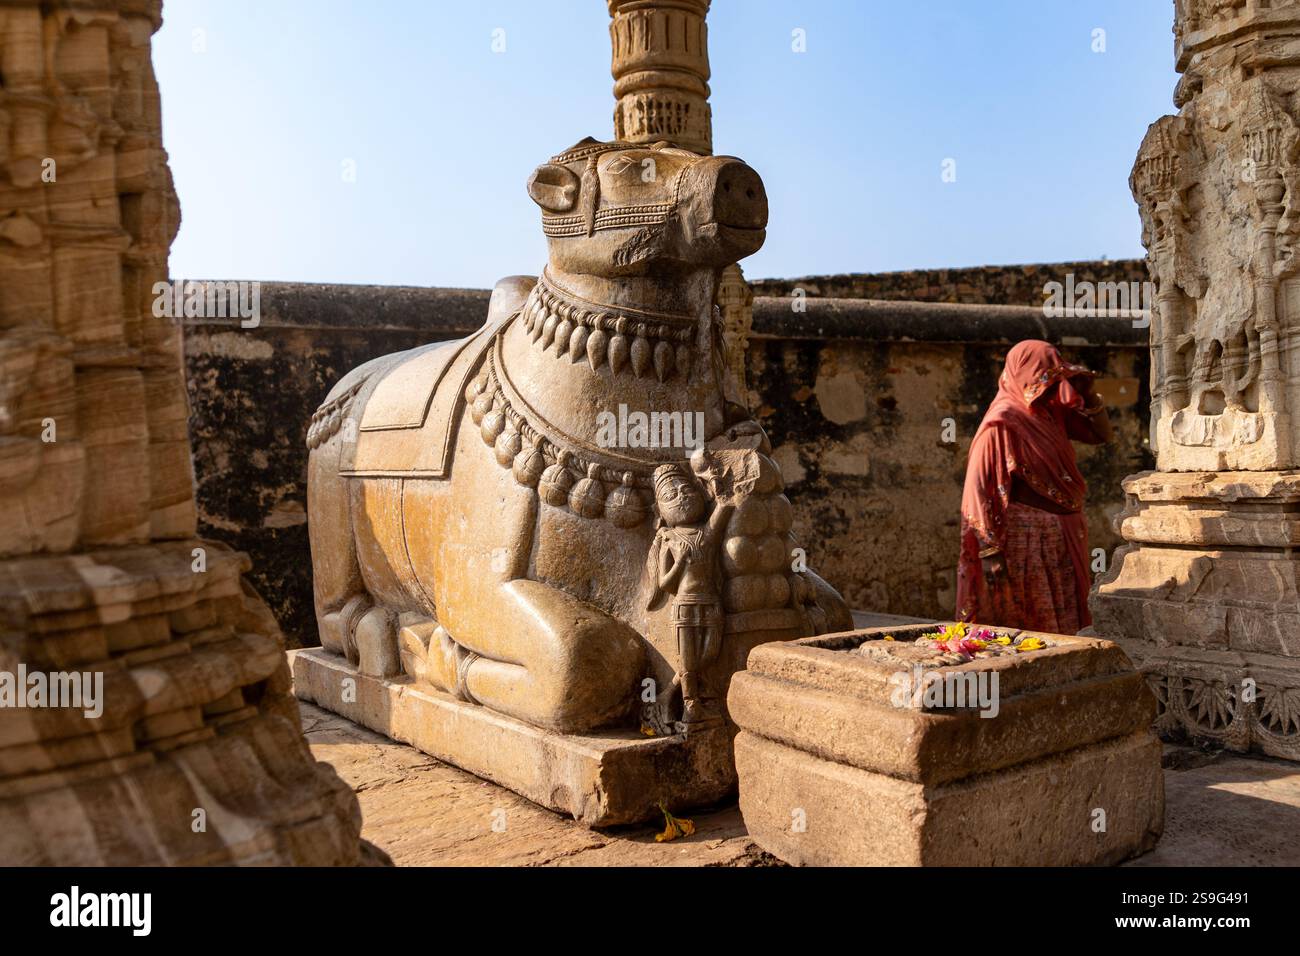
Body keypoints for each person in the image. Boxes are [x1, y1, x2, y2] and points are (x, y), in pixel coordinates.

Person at [956, 340, 1113, 634]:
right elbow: (978, 489)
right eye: (1046, 380)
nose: (1053, 389)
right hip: (1026, 540)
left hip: (1063, 536)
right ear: (1023, 375)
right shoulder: (1002, 422)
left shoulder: (1052, 413)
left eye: (1056, 381)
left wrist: (1088, 395)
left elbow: (1101, 434)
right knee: (1031, 622)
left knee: (1067, 617)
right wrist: (989, 552)